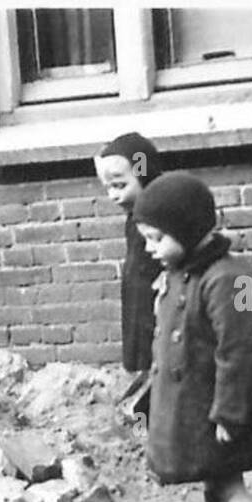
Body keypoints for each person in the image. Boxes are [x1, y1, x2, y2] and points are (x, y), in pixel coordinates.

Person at [132, 172, 252, 502]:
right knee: (211, 474)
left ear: (188, 231)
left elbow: (237, 353)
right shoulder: (182, 272)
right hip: (195, 404)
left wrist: (229, 413)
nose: (150, 248)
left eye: (158, 237)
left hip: (222, 408)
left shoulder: (226, 280)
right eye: (146, 238)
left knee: (230, 482)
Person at [94, 131, 166, 375]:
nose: (114, 195)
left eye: (120, 185)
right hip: (138, 300)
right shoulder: (134, 219)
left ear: (143, 173)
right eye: (109, 188)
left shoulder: (160, 217)